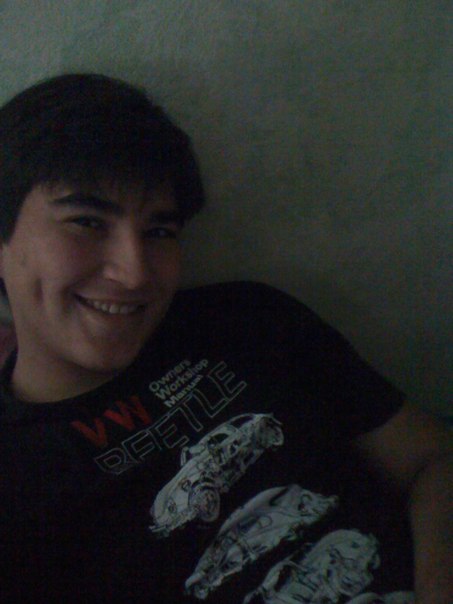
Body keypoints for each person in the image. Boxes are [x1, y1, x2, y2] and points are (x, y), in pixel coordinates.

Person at [0, 73, 450, 604]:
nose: (135, 273)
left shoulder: (246, 319)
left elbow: (432, 458)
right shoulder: (15, 478)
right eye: (87, 222)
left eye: (160, 232)